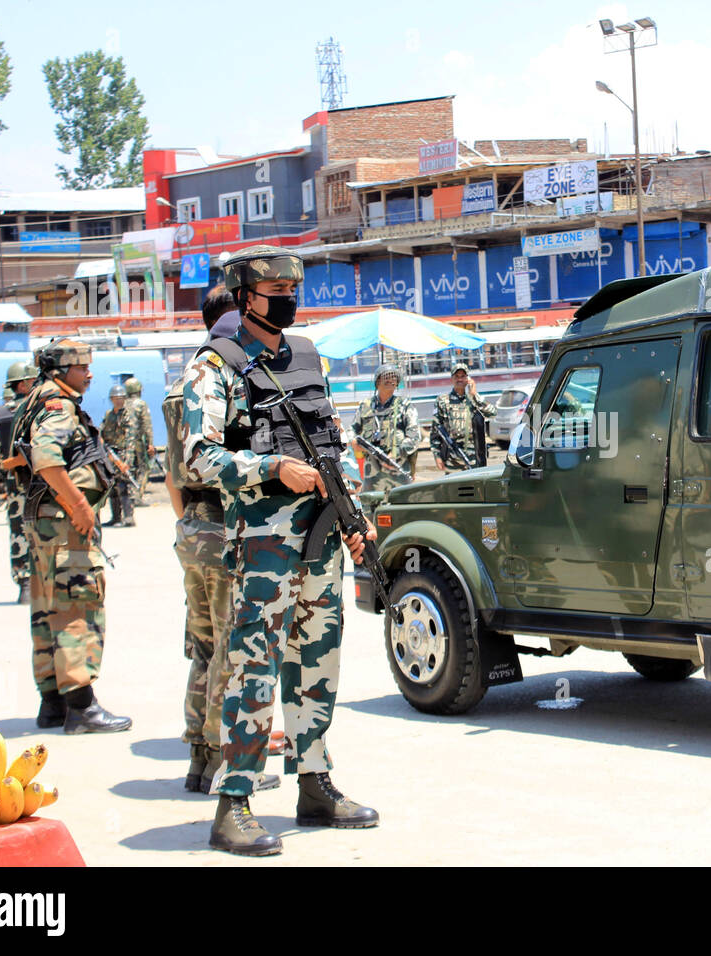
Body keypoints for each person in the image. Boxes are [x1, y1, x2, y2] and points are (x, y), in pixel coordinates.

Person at [180, 245, 376, 856]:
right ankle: (233, 802)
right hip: (264, 544)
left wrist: (353, 510)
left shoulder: (309, 356)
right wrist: (269, 467)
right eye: (275, 294)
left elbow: (332, 440)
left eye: (293, 292)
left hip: (320, 536)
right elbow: (196, 458)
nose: (288, 302)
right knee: (254, 666)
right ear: (245, 298)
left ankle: (314, 783)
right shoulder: (215, 366)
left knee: (318, 660)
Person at [163, 284, 277, 794]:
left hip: (192, 526)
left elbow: (173, 475)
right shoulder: (229, 377)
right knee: (232, 651)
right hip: (224, 524)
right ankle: (221, 763)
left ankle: (198, 757)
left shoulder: (182, 383)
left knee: (204, 647)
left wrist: (192, 525)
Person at [10, 338, 132, 734]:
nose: (89, 374)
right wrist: (79, 505)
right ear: (61, 371)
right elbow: (46, 458)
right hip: (65, 524)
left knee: (47, 606)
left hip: (45, 522)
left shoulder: (37, 400)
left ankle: (53, 703)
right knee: (78, 605)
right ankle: (81, 707)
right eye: (82, 367)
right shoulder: (58, 405)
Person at [0, 360, 37, 603]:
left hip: (15, 484)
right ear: (23, 384)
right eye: (33, 381)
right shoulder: (38, 409)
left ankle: (25, 583)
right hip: (44, 482)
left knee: (18, 531)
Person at [352, 364, 419, 493]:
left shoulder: (405, 405)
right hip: (372, 474)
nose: (391, 380)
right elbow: (353, 429)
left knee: (401, 504)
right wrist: (354, 441)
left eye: (394, 377)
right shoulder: (366, 406)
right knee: (372, 504)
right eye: (386, 377)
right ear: (377, 382)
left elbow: (414, 436)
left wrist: (396, 452)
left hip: (398, 470)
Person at [430, 362, 493, 472]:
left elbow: (492, 413)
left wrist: (474, 395)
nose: (459, 379)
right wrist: (437, 455)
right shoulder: (442, 401)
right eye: (456, 376)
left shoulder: (474, 400)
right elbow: (436, 430)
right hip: (452, 458)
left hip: (474, 458)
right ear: (452, 379)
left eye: (463, 376)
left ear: (468, 379)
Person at [100, 384, 137, 527]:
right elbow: (101, 432)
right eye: (116, 398)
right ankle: (115, 517)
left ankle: (128, 517)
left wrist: (127, 460)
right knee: (112, 486)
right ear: (111, 399)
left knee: (124, 486)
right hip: (109, 454)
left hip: (122, 453)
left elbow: (130, 439)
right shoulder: (108, 415)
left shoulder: (128, 416)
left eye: (121, 398)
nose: (119, 401)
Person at [123, 377, 155, 504]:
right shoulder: (141, 404)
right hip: (138, 442)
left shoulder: (123, 403)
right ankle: (137, 496)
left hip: (125, 443)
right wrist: (150, 443)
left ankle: (129, 495)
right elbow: (147, 425)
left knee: (130, 468)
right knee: (144, 467)